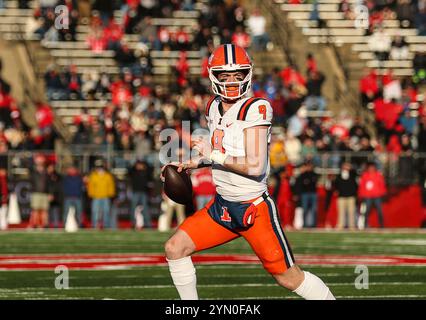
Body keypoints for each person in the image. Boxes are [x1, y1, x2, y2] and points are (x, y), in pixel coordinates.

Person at [161, 44, 335, 300]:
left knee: (289, 277)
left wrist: (213, 155)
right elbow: (222, 151)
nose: (232, 81)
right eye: (225, 75)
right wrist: (195, 162)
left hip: (253, 208)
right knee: (175, 247)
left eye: (237, 74)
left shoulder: (255, 108)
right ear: (213, 76)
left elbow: (254, 166)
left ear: (248, 74)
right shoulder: (213, 107)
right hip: (222, 207)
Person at [87, 159, 116, 229]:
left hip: (105, 196)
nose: (99, 169)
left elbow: (111, 185)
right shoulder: (93, 176)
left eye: (101, 167)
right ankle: (94, 225)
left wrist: (111, 194)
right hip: (96, 196)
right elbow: (90, 186)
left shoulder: (107, 176)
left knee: (106, 211)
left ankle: (106, 225)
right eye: (98, 167)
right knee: (95, 212)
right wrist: (91, 194)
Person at [358, 162, 387, 228]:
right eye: (370, 167)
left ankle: (381, 225)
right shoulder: (365, 175)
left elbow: (382, 185)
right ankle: (365, 225)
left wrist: (383, 193)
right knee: (366, 211)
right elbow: (362, 186)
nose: (371, 169)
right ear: (368, 168)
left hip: (377, 196)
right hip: (368, 196)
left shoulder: (378, 175)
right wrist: (361, 194)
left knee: (380, 211)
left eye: (372, 167)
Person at [128, 159, 153, 229]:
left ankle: (148, 224)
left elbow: (151, 171)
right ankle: (133, 223)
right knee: (133, 208)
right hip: (135, 192)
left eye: (141, 165)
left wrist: (145, 166)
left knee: (145, 208)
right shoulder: (133, 172)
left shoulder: (145, 172)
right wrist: (134, 165)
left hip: (144, 192)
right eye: (138, 165)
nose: (139, 166)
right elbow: (129, 170)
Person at [334, 162, 358, 230]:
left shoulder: (352, 174)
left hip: (351, 196)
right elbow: (336, 185)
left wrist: (351, 170)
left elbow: (355, 183)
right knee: (341, 212)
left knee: (351, 212)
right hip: (341, 196)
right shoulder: (339, 175)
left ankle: (352, 226)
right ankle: (340, 225)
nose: (346, 167)